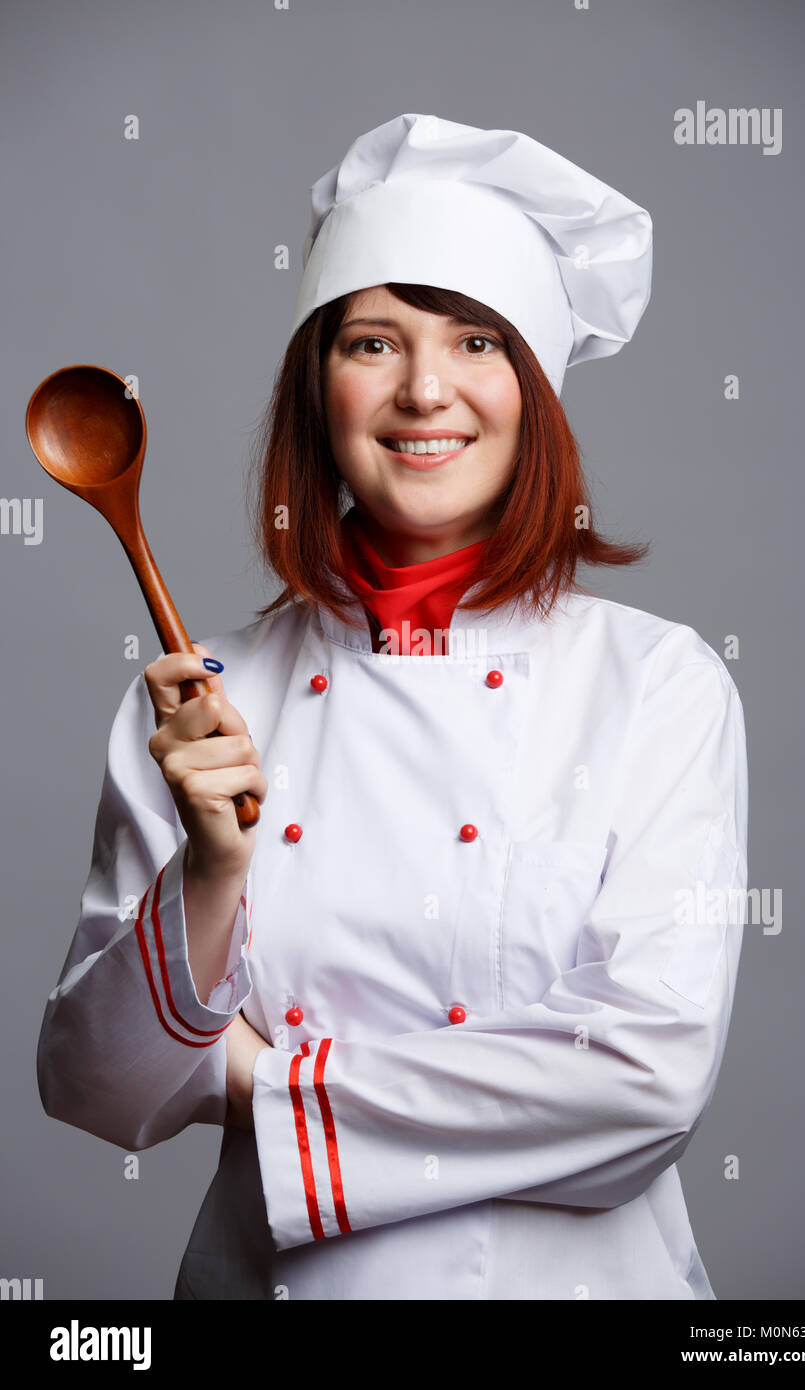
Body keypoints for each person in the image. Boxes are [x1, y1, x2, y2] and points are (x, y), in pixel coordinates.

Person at [37, 112, 748, 1301]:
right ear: (317, 386)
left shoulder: (658, 685)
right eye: (373, 342)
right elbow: (95, 1089)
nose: (426, 390)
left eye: (477, 340)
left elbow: (646, 1074)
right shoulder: (201, 703)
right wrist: (208, 873)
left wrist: (265, 1084)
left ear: (532, 390)